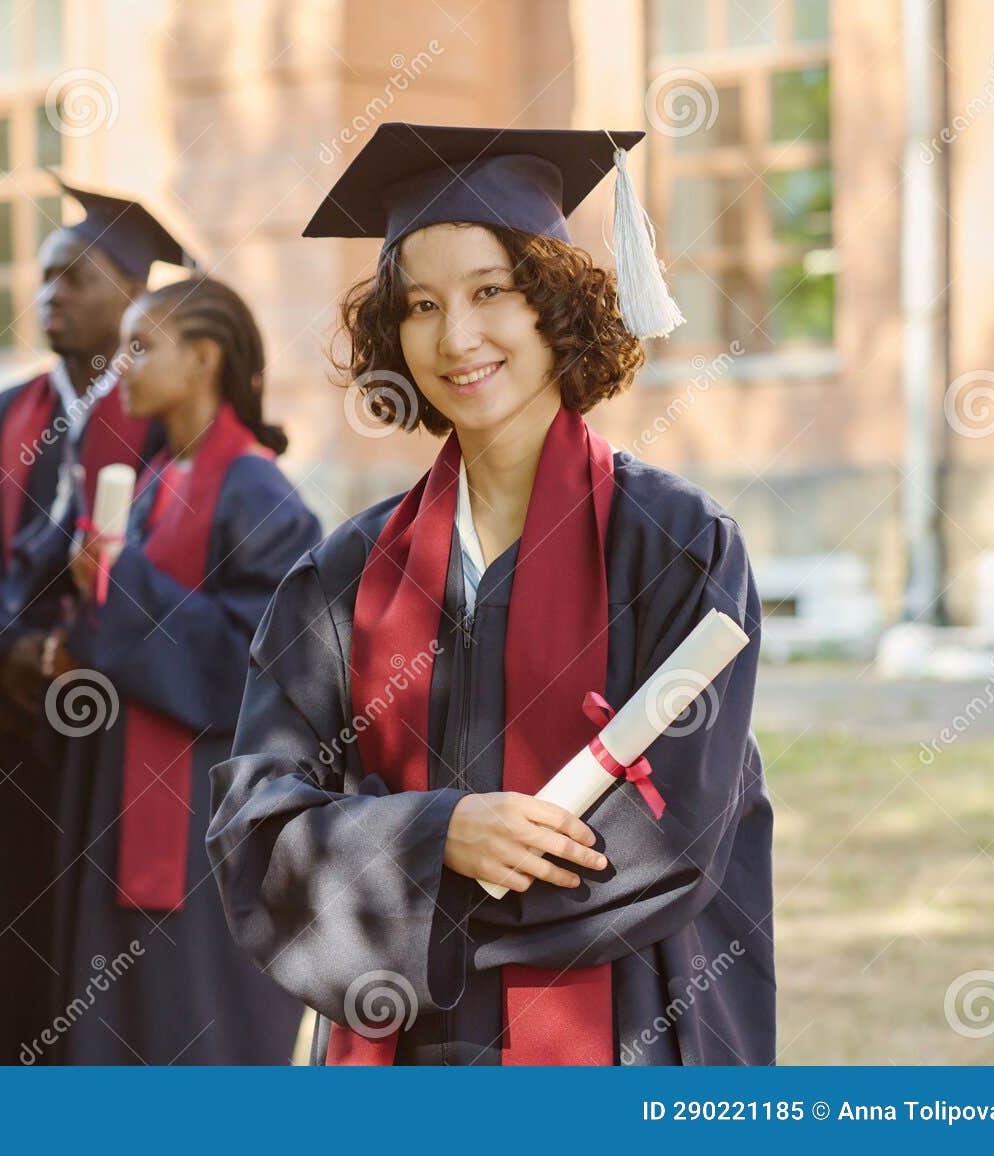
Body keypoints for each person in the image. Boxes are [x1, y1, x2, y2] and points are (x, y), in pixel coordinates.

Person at [207, 124, 775, 1066]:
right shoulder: (342, 575)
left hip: (623, 1027)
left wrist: (409, 887)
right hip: (410, 1035)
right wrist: (440, 836)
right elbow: (255, 826)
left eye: (489, 292)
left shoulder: (676, 544)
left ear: (553, 302)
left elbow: (681, 827)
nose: (457, 336)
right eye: (421, 305)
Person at [0, 178, 185, 1064]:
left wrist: (79, 652)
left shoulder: (164, 416)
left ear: (131, 295)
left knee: (88, 961)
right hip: (10, 721)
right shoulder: (1, 416)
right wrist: (10, 652)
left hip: (109, 731)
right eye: (44, 277)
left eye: (76, 277)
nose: (51, 295)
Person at [44, 277, 319, 1064]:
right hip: (125, 797)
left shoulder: (256, 487)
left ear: (202, 359)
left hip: (205, 819)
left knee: (191, 1024)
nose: (118, 367)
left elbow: (266, 664)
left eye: (141, 346)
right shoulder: (163, 475)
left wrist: (121, 584)